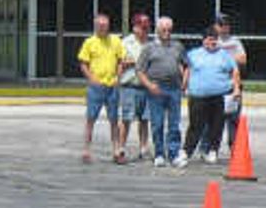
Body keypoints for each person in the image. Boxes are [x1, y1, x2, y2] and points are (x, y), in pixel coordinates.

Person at [179, 26, 241, 167]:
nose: (212, 42)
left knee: (217, 125)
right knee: (196, 125)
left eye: (214, 40)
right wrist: (184, 85)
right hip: (198, 96)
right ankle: (186, 152)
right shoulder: (193, 54)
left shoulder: (224, 55)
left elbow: (234, 71)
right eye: (209, 39)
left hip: (219, 96)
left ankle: (212, 151)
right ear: (203, 40)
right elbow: (187, 69)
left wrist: (236, 89)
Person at [137, 16, 189, 167]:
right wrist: (149, 85)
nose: (167, 32)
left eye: (169, 30)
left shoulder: (178, 46)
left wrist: (185, 82)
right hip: (156, 89)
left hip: (174, 89)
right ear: (157, 30)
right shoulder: (149, 48)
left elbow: (187, 65)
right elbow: (139, 70)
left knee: (174, 124)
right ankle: (159, 154)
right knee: (157, 123)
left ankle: (173, 154)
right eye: (164, 29)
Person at [194, 13, 247, 157]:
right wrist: (229, 57)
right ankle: (206, 148)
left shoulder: (235, 41)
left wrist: (223, 57)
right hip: (214, 86)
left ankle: (234, 149)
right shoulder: (211, 40)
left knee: (233, 119)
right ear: (215, 26)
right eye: (221, 24)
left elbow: (243, 59)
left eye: (227, 25)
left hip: (231, 86)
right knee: (210, 119)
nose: (224, 28)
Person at [77, 13, 126, 164]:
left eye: (105, 25)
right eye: (100, 25)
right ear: (95, 26)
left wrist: (118, 77)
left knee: (114, 120)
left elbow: (121, 60)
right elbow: (83, 63)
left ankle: (116, 151)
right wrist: (91, 79)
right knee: (91, 119)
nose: (103, 28)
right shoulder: (89, 42)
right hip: (96, 87)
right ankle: (86, 151)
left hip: (112, 86)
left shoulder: (115, 40)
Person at [116, 13, 152, 161]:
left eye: (147, 27)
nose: (145, 30)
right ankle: (120, 148)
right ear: (135, 27)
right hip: (129, 86)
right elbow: (116, 63)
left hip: (146, 87)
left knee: (144, 119)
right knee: (126, 119)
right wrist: (125, 64)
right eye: (142, 27)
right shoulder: (125, 43)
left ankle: (143, 149)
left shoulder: (151, 44)